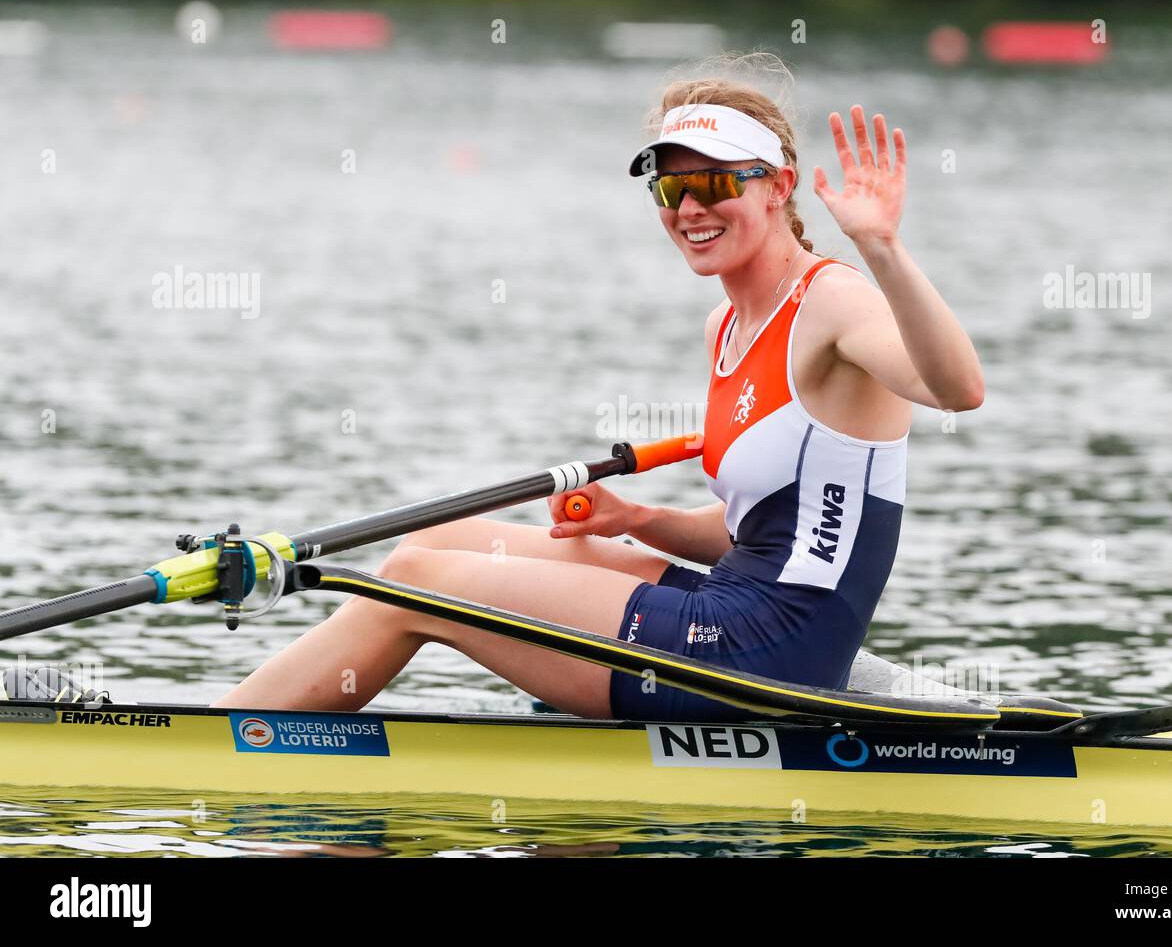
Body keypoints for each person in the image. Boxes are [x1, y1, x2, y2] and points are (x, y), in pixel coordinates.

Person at [213, 69, 983, 721]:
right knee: (432, 547)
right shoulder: (728, 322)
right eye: (671, 186)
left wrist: (881, 248)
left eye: (714, 182)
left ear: (779, 186)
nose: (689, 208)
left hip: (771, 649)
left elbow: (957, 389)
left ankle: (222, 742)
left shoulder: (835, 303)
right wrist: (642, 521)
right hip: (743, 610)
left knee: (419, 586)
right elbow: (781, 524)